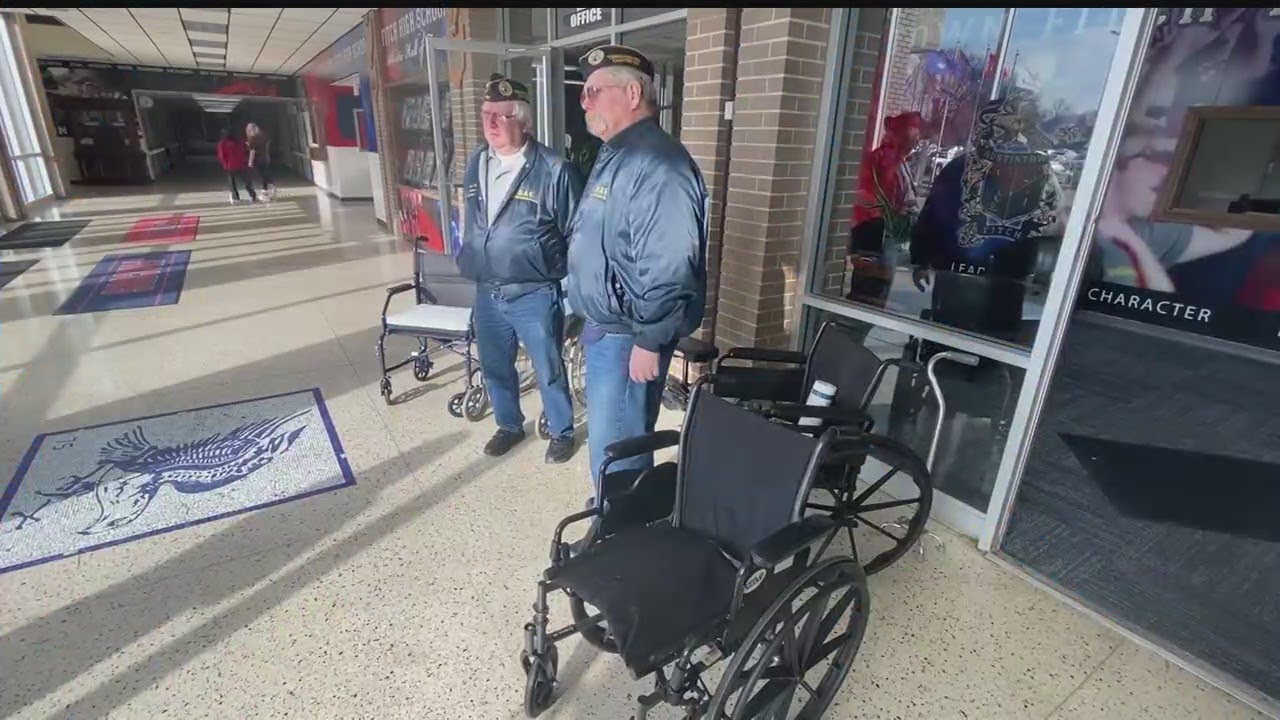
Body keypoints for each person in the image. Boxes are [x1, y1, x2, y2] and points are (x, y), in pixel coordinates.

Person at [567, 44, 708, 506]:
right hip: (610, 330)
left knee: (620, 443)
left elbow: (668, 262)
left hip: (631, 336)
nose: (583, 101)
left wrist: (650, 340)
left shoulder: (658, 163)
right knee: (612, 439)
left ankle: (620, 525)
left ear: (631, 93)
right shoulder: (619, 154)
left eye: (592, 91)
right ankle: (612, 509)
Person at [457, 74, 583, 464]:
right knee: (495, 365)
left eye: (502, 115)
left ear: (524, 121)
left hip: (533, 291)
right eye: (486, 114)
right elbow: (472, 215)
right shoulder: (477, 161)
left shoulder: (554, 169)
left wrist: (572, 292)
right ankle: (509, 425)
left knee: (548, 367)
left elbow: (576, 231)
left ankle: (562, 431)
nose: (491, 123)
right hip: (487, 289)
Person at [848, 111, 923, 305]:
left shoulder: (894, 159)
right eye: (914, 134)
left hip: (879, 235)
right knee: (871, 295)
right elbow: (871, 197)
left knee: (872, 292)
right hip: (877, 237)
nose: (917, 140)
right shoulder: (887, 159)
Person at [215, 128, 256, 205]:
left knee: (232, 182)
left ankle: (236, 197)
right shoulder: (238, 141)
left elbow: (221, 156)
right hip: (240, 164)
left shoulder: (222, 143)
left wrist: (224, 164)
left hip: (229, 165)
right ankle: (252, 194)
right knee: (245, 180)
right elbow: (244, 150)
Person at [245, 122, 273, 201]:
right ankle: (267, 191)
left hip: (257, 159)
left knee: (258, 176)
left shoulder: (253, 138)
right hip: (265, 158)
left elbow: (252, 151)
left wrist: (250, 162)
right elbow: (267, 147)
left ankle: (262, 193)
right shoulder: (264, 136)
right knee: (264, 175)